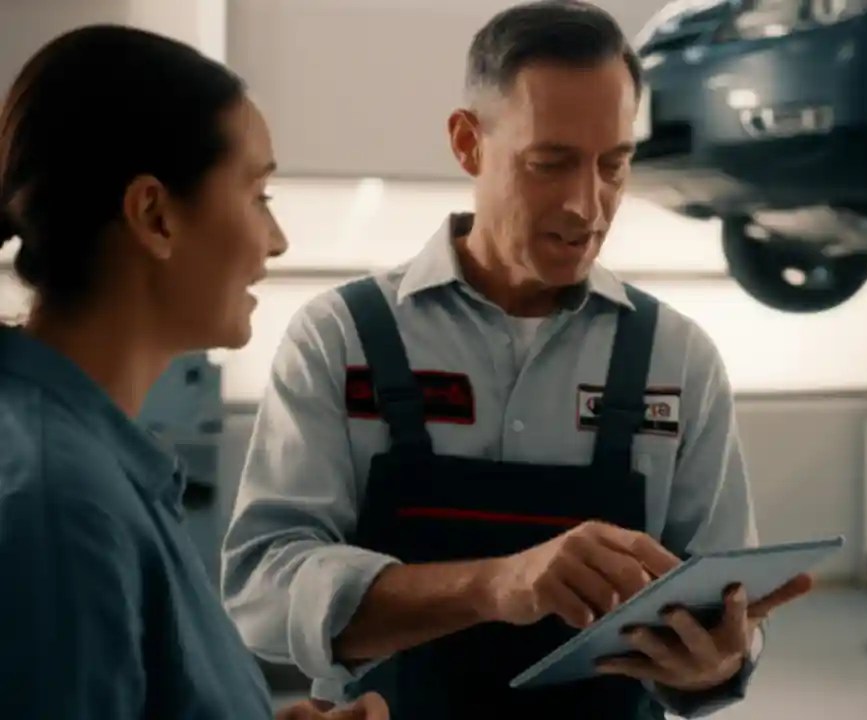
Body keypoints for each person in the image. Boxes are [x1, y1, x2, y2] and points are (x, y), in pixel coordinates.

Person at [221, 1, 813, 718]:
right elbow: (263, 586)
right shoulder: (341, 340)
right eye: (549, 163)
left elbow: (720, 602)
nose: (587, 206)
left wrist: (717, 663)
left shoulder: (676, 361)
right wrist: (496, 585)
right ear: (468, 143)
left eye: (614, 167)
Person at [0, 24, 387, 720]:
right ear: (155, 216)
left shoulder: (89, 465)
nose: (277, 240)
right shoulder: (64, 507)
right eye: (258, 194)